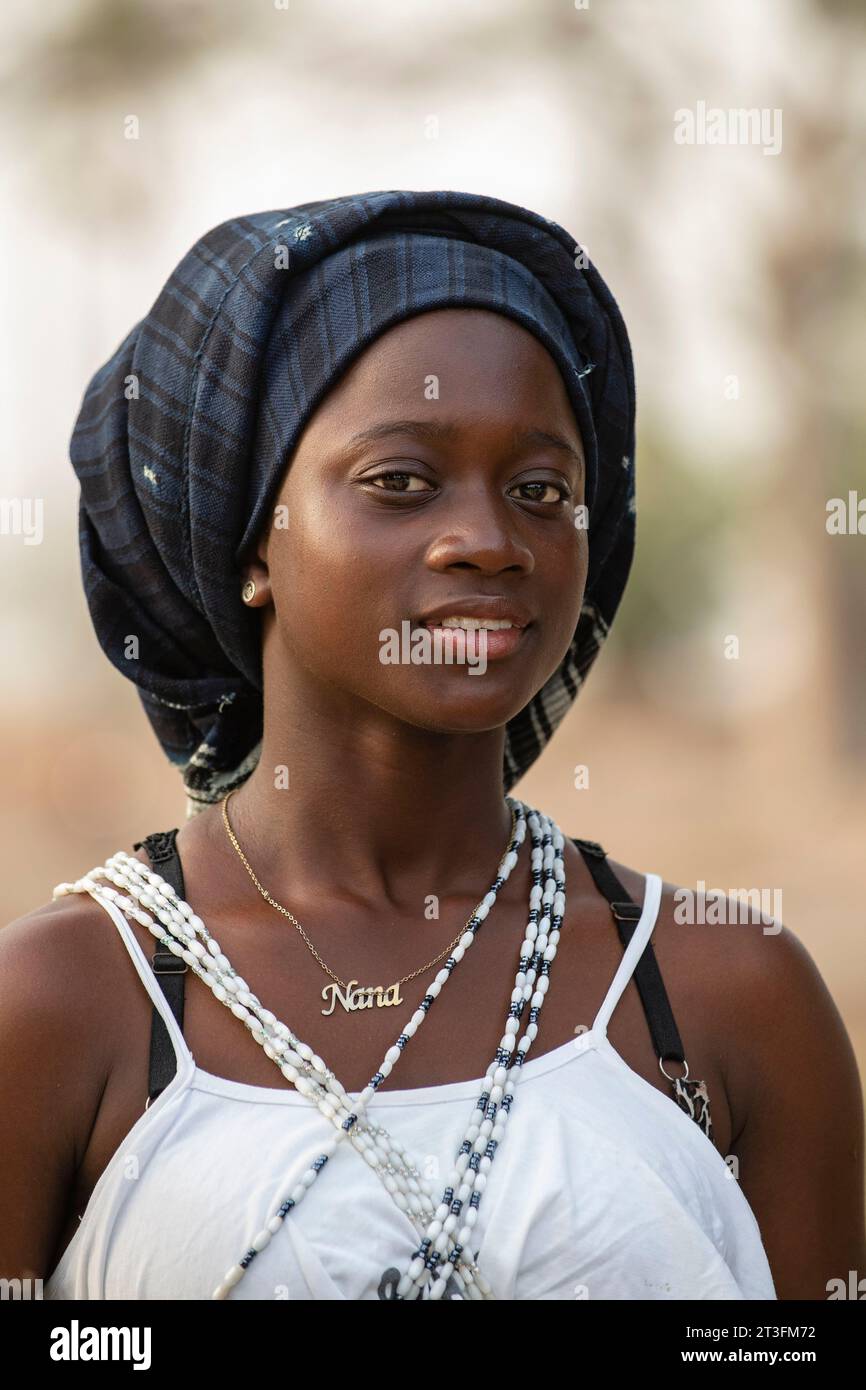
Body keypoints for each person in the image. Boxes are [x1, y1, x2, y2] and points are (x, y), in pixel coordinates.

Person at [1, 191, 862, 1301]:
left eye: (540, 490)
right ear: (248, 537)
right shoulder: (68, 1004)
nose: (487, 540)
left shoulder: (724, 998)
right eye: (399, 481)